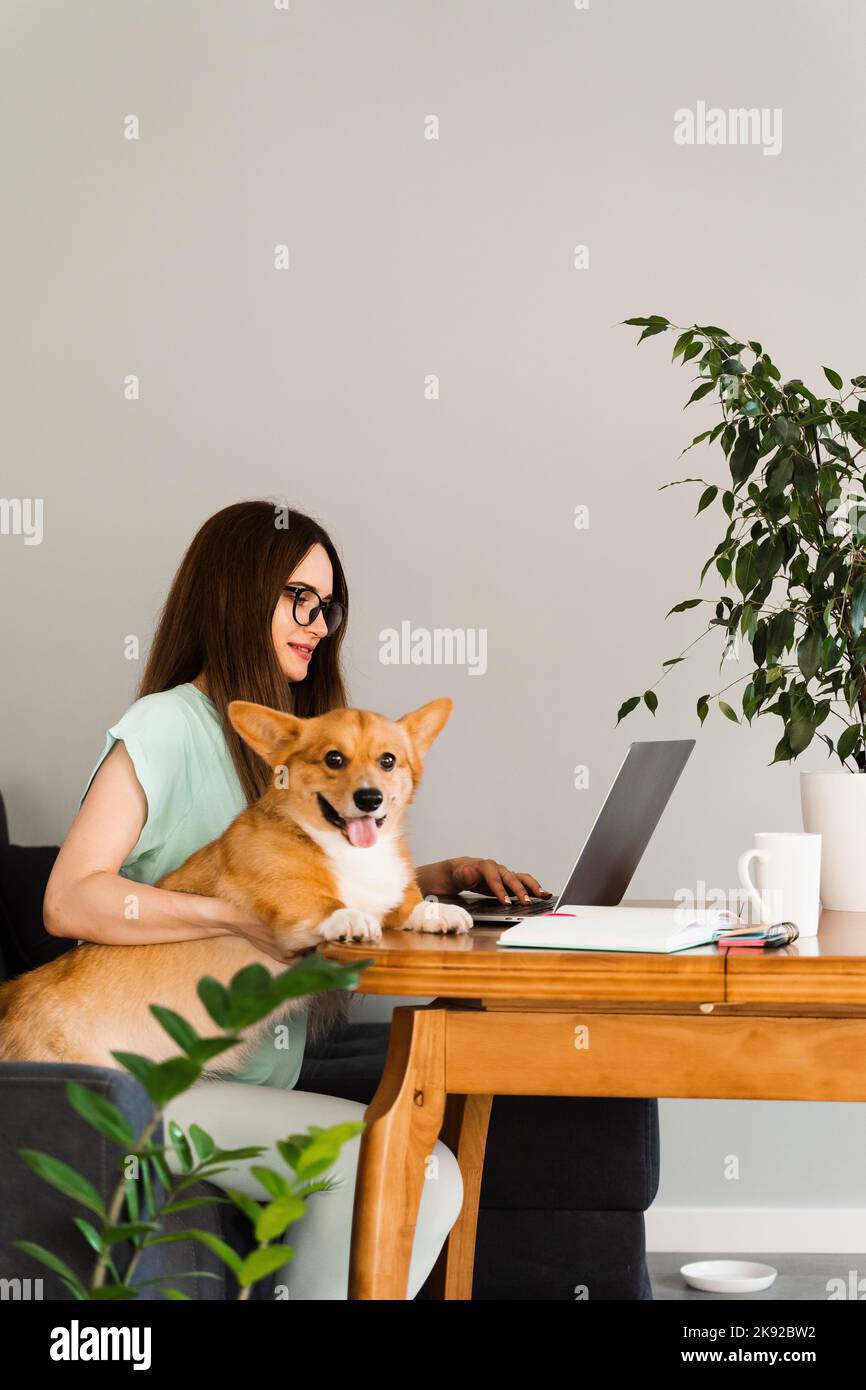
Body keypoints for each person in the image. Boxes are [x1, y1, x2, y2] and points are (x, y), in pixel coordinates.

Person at [44, 499, 549, 1299]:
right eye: (297, 600)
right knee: (398, 1167)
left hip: (241, 1081)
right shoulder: (167, 726)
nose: (317, 623)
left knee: (430, 1171)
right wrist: (235, 917)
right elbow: (69, 901)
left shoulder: (297, 743)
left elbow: (298, 878)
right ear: (235, 596)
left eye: (327, 605)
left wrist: (437, 878)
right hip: (148, 1086)